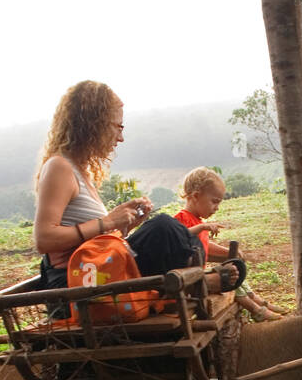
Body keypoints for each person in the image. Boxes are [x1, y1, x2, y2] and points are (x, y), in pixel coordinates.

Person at [33, 82, 233, 318]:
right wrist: (107, 222)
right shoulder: (59, 167)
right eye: (116, 127)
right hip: (77, 282)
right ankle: (197, 282)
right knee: (163, 227)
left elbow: (96, 242)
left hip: (100, 270)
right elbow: (44, 239)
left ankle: (194, 280)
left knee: (165, 229)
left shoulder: (81, 173)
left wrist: (124, 224)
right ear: (92, 124)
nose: (120, 137)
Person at [174, 167, 287, 321]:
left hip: (199, 275)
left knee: (234, 270)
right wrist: (202, 227)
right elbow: (180, 237)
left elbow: (205, 244)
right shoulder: (182, 219)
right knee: (228, 275)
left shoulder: (198, 221)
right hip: (190, 279)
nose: (217, 208)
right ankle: (256, 310)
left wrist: (226, 252)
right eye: (214, 202)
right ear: (195, 196)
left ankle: (258, 300)